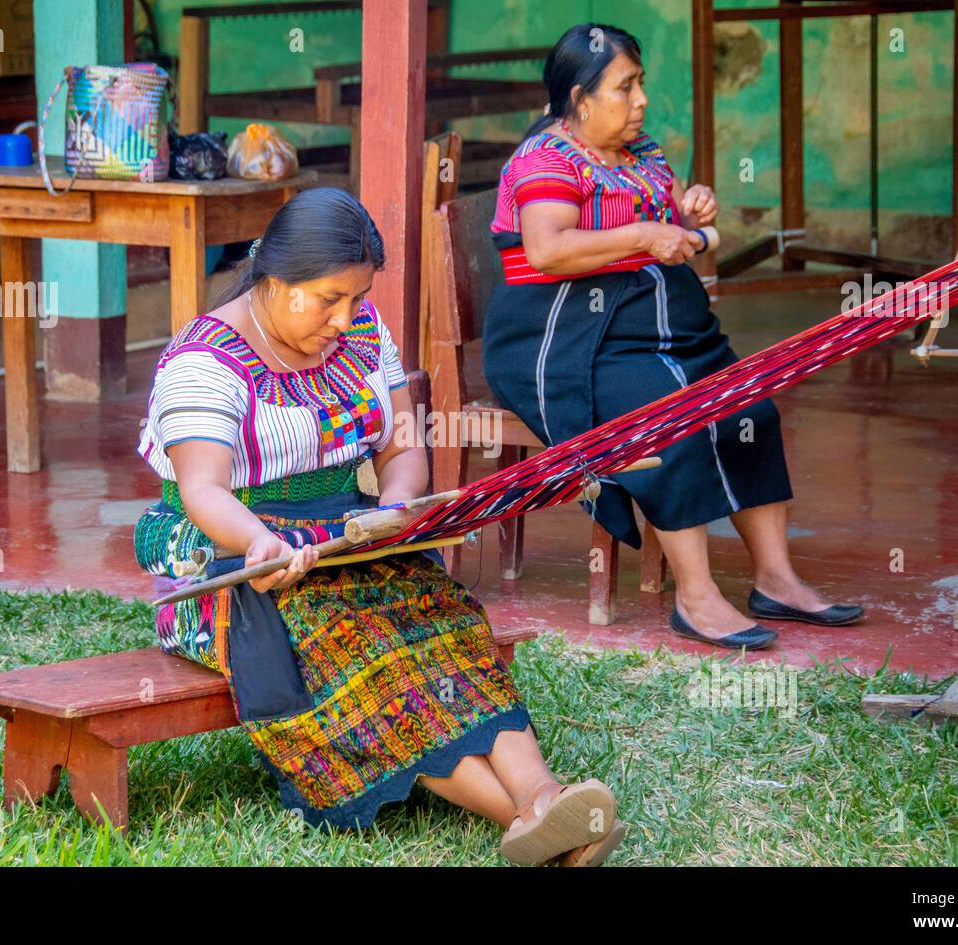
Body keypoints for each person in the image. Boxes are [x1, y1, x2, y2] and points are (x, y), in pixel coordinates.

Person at [133, 187, 625, 865]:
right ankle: (530, 818)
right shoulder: (203, 363)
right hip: (232, 571)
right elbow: (203, 490)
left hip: (345, 541)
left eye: (358, 298)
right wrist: (258, 542)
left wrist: (396, 508)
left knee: (441, 621)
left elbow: (401, 450)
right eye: (329, 299)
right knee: (362, 652)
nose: (347, 317)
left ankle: (545, 794)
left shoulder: (363, 335)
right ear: (275, 283)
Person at [482, 24, 864, 650]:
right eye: (624, 88)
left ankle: (777, 579)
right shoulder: (543, 161)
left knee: (751, 411)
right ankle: (696, 596)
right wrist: (642, 236)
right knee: (674, 424)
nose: (641, 101)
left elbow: (664, 229)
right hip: (568, 342)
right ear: (581, 100)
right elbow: (547, 250)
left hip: (658, 330)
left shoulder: (644, 152)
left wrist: (688, 214)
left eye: (640, 85)